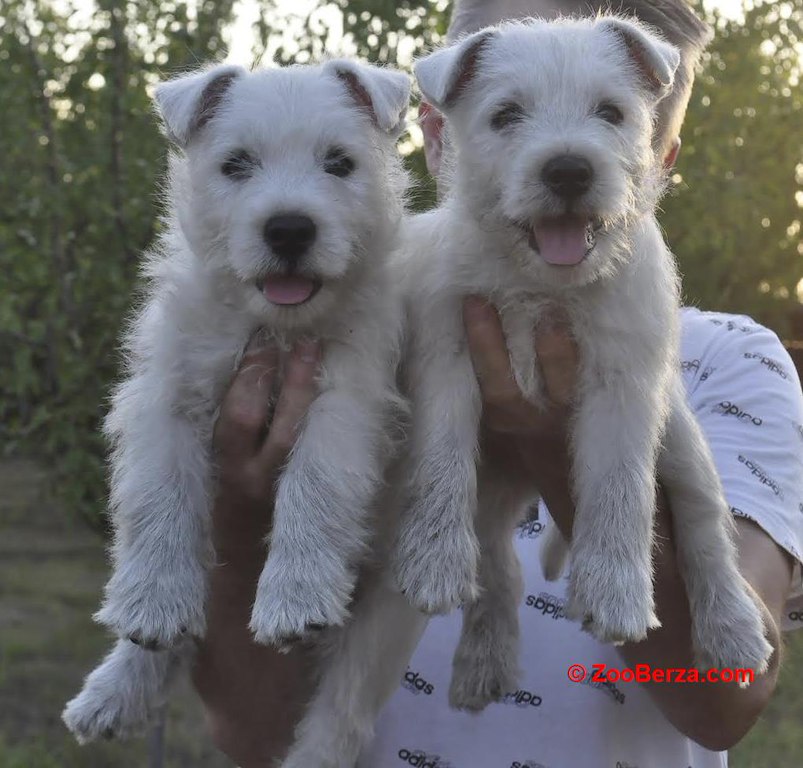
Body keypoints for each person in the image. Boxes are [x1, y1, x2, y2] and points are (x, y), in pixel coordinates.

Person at [192, 1, 803, 766]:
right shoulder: (352, 326)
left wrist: (555, 458)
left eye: (610, 113)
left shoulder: (728, 363)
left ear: (661, 154)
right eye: (507, 113)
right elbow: (248, 738)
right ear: (436, 133)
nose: (564, 155)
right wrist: (237, 513)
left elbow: (728, 700)